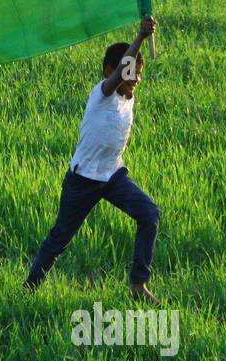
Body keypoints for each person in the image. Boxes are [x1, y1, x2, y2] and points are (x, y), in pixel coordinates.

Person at [24, 16, 162, 304]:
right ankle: (30, 287)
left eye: (139, 74)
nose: (134, 79)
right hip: (83, 179)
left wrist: (137, 54)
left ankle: (138, 284)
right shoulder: (102, 94)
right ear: (110, 71)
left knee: (149, 213)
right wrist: (139, 37)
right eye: (128, 72)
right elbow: (117, 79)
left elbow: (129, 74)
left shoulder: (129, 98)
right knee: (59, 239)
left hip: (112, 176)